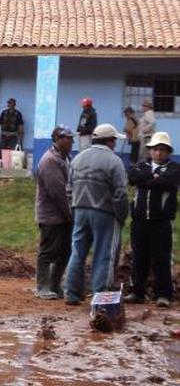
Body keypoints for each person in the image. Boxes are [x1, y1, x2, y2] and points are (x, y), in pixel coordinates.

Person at [63, 123, 129, 305]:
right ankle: (101, 296)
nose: (115, 144)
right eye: (114, 141)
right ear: (109, 141)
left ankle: (71, 293)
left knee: (77, 251)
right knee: (104, 253)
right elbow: (121, 194)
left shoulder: (77, 158)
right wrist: (121, 216)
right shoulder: (114, 161)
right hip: (105, 213)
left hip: (80, 210)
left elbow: (68, 189)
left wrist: (74, 210)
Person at [124, 132, 180, 308]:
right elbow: (132, 178)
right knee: (139, 256)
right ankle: (136, 292)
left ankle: (163, 294)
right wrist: (152, 178)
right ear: (150, 151)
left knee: (161, 258)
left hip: (161, 222)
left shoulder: (174, 168)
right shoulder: (140, 166)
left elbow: (166, 183)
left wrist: (146, 180)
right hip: (140, 221)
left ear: (168, 152)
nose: (158, 153)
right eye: (155, 149)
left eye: (162, 150)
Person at [35, 126, 75, 299]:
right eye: (68, 138)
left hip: (63, 214)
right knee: (48, 251)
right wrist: (68, 213)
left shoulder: (66, 158)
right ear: (58, 139)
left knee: (65, 251)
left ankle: (54, 284)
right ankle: (42, 287)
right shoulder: (50, 160)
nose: (72, 141)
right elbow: (57, 191)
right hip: (51, 215)